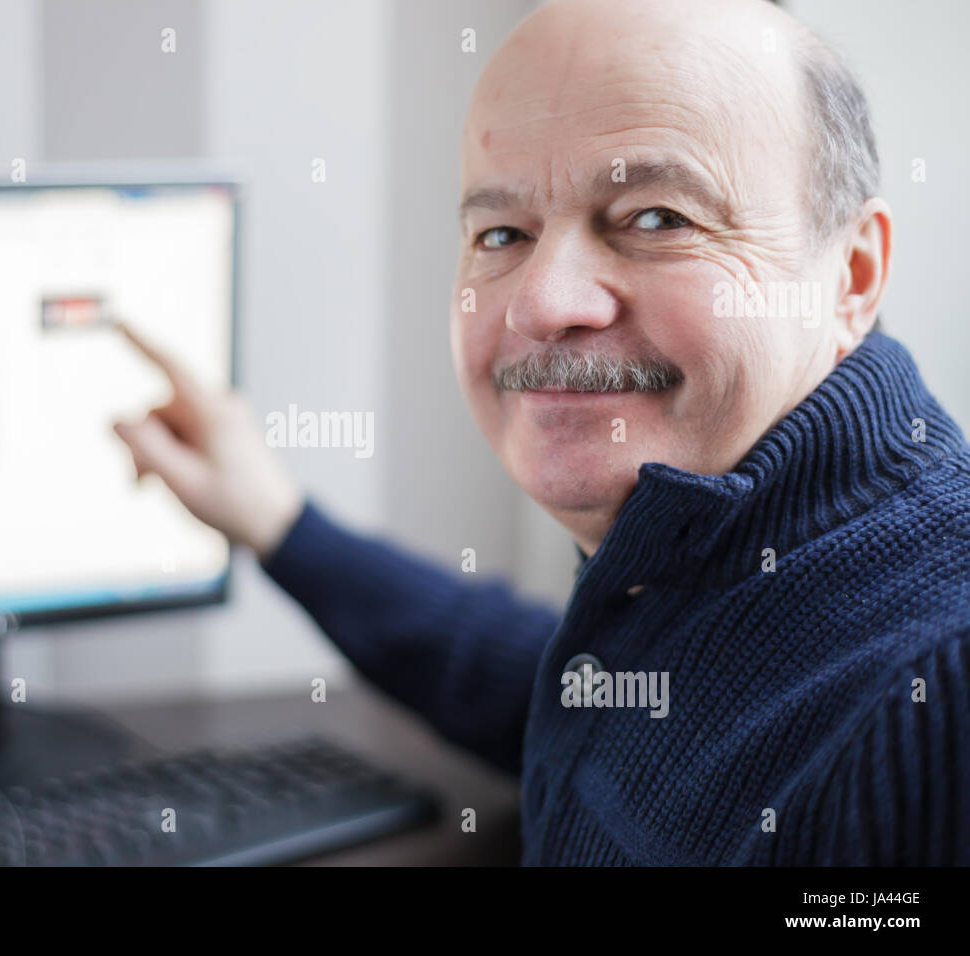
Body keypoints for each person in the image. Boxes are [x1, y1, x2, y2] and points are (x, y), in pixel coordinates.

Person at [113, 0, 970, 865]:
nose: (540, 302)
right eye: (502, 233)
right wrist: (277, 518)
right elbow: (560, 691)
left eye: (656, 218)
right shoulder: (717, 581)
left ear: (852, 275)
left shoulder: (942, 694)